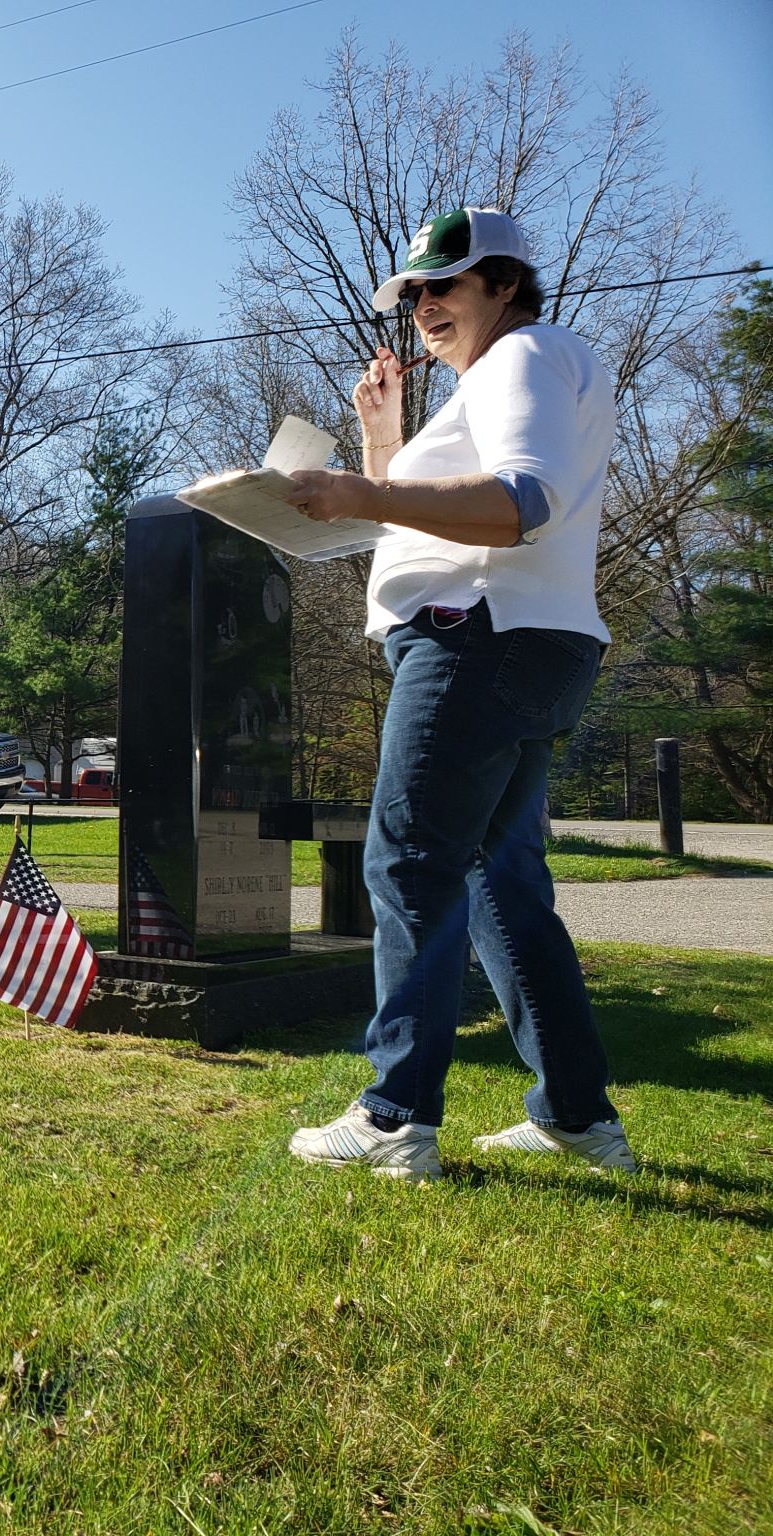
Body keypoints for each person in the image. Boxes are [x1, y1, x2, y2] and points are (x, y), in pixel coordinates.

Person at [281, 207, 633, 1183]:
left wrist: (359, 495)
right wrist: (380, 441)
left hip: (471, 643)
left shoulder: (518, 359)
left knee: (407, 867)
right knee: (498, 885)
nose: (424, 306)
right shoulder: (507, 377)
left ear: (505, 284)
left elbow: (518, 504)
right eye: (413, 293)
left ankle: (394, 1116)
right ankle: (574, 1114)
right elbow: (431, 517)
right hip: (525, 646)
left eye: (445, 285)